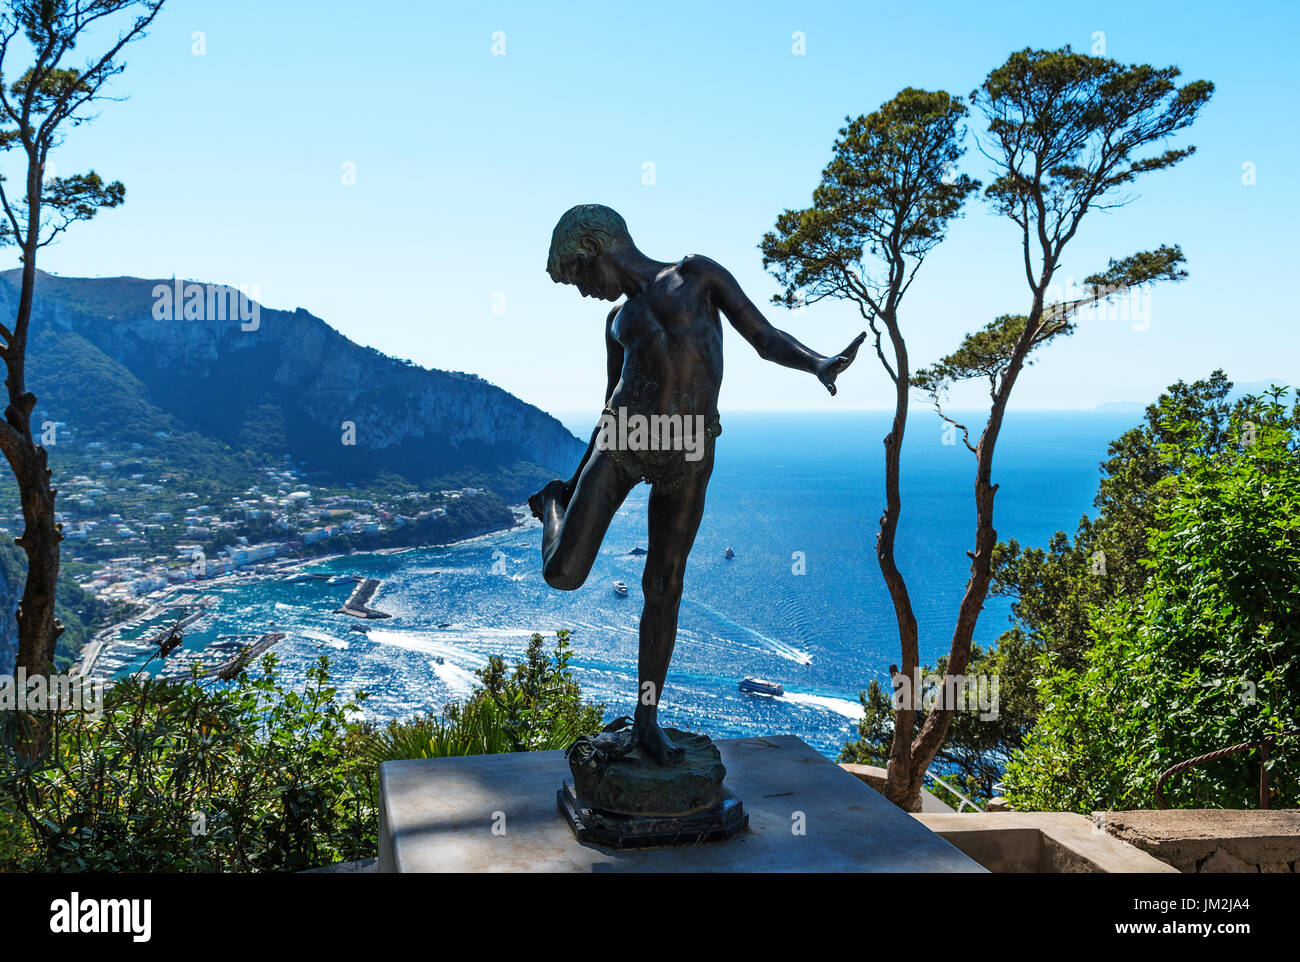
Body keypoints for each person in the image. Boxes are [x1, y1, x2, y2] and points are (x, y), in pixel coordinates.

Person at [530, 204, 864, 763]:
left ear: (595, 250)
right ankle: (553, 504)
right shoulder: (616, 323)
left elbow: (763, 336)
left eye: (581, 279)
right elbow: (608, 402)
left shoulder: (697, 275)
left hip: (688, 452)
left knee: (664, 588)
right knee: (562, 574)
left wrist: (817, 363)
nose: (586, 293)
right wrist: (576, 473)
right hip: (621, 445)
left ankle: (646, 722)